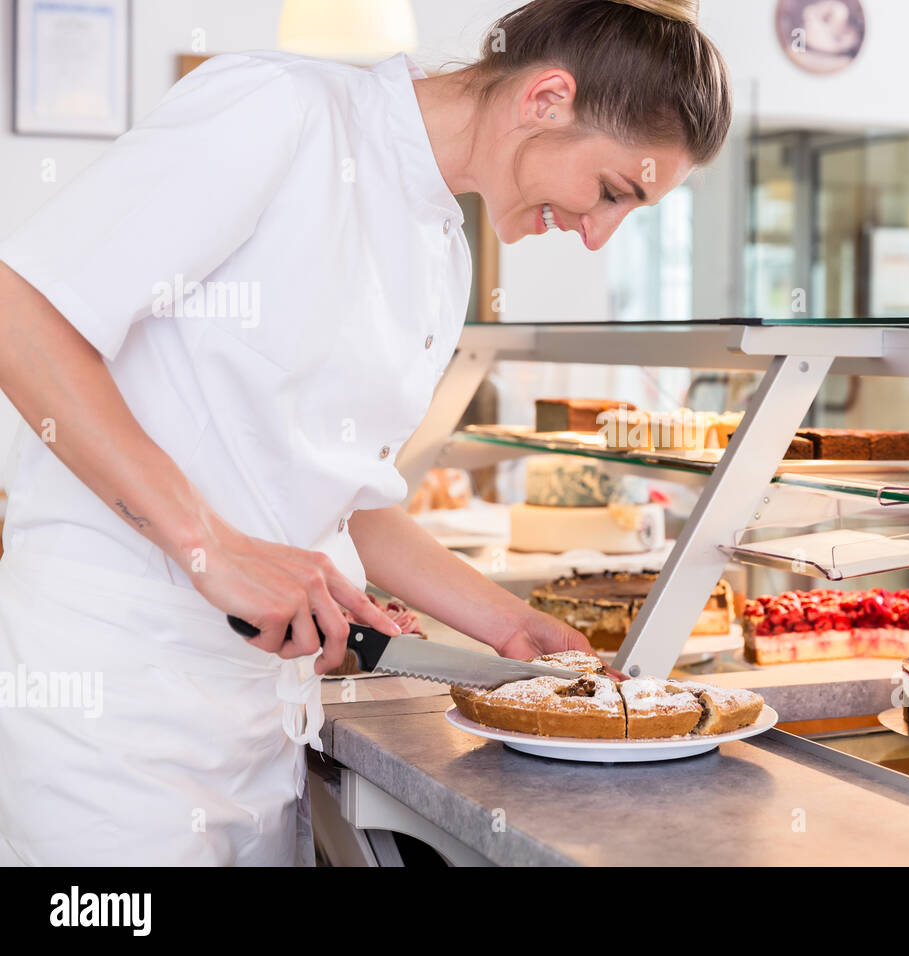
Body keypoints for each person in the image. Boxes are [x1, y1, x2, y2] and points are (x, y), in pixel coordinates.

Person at [0, 0, 730, 865]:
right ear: (547, 98)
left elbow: (340, 497)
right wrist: (212, 549)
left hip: (264, 716)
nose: (601, 233)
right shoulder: (284, 111)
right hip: (116, 713)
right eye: (613, 191)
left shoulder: (442, 248)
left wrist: (504, 626)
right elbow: (23, 312)